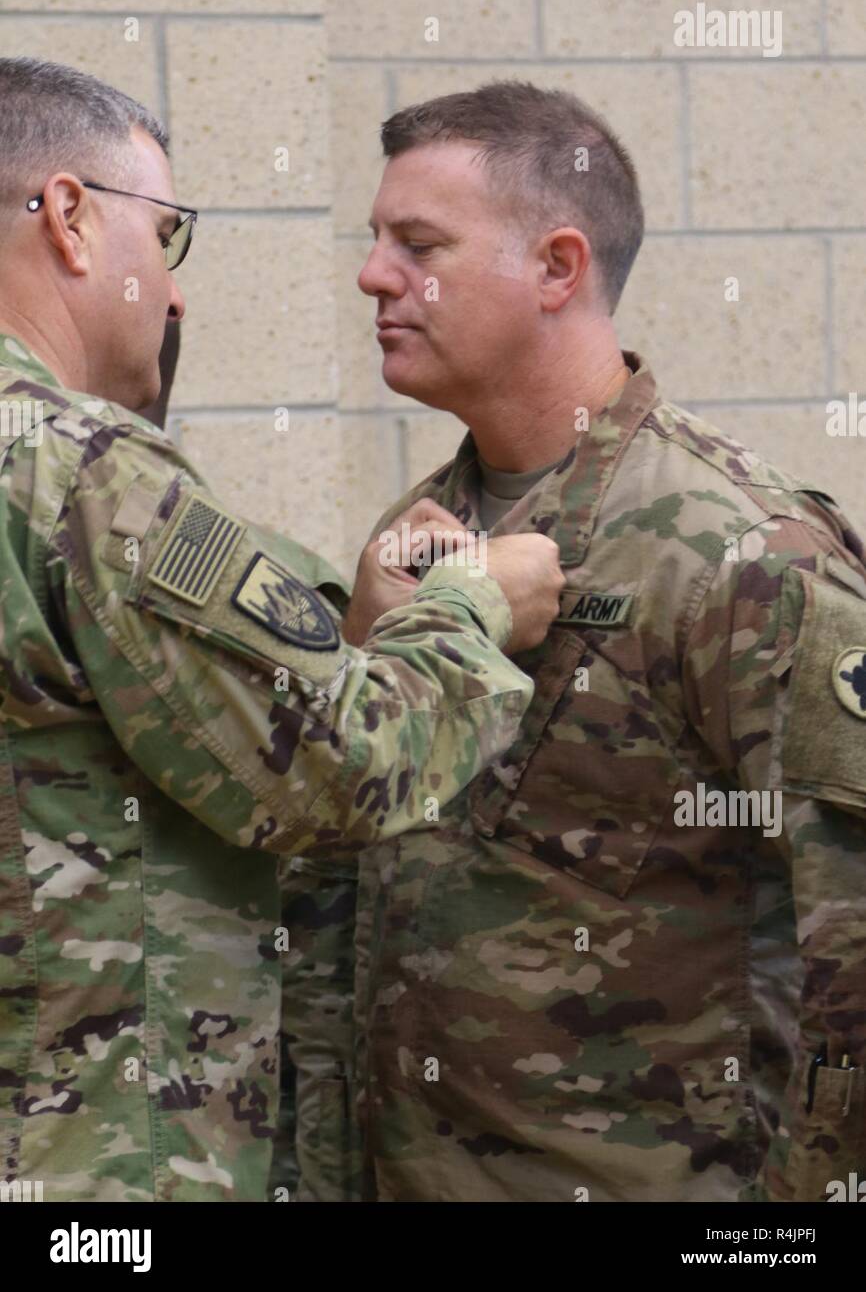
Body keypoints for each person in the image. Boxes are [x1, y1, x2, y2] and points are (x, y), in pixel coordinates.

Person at [0, 58, 565, 1203]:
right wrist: (471, 607)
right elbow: (335, 765)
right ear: (68, 218)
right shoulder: (76, 466)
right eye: (168, 235)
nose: (173, 292)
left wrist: (335, 631)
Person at [295, 80, 866, 1202]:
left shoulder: (739, 554)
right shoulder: (418, 539)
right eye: (374, 242)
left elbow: (847, 946)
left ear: (556, 268)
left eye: (416, 245)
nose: (372, 275)